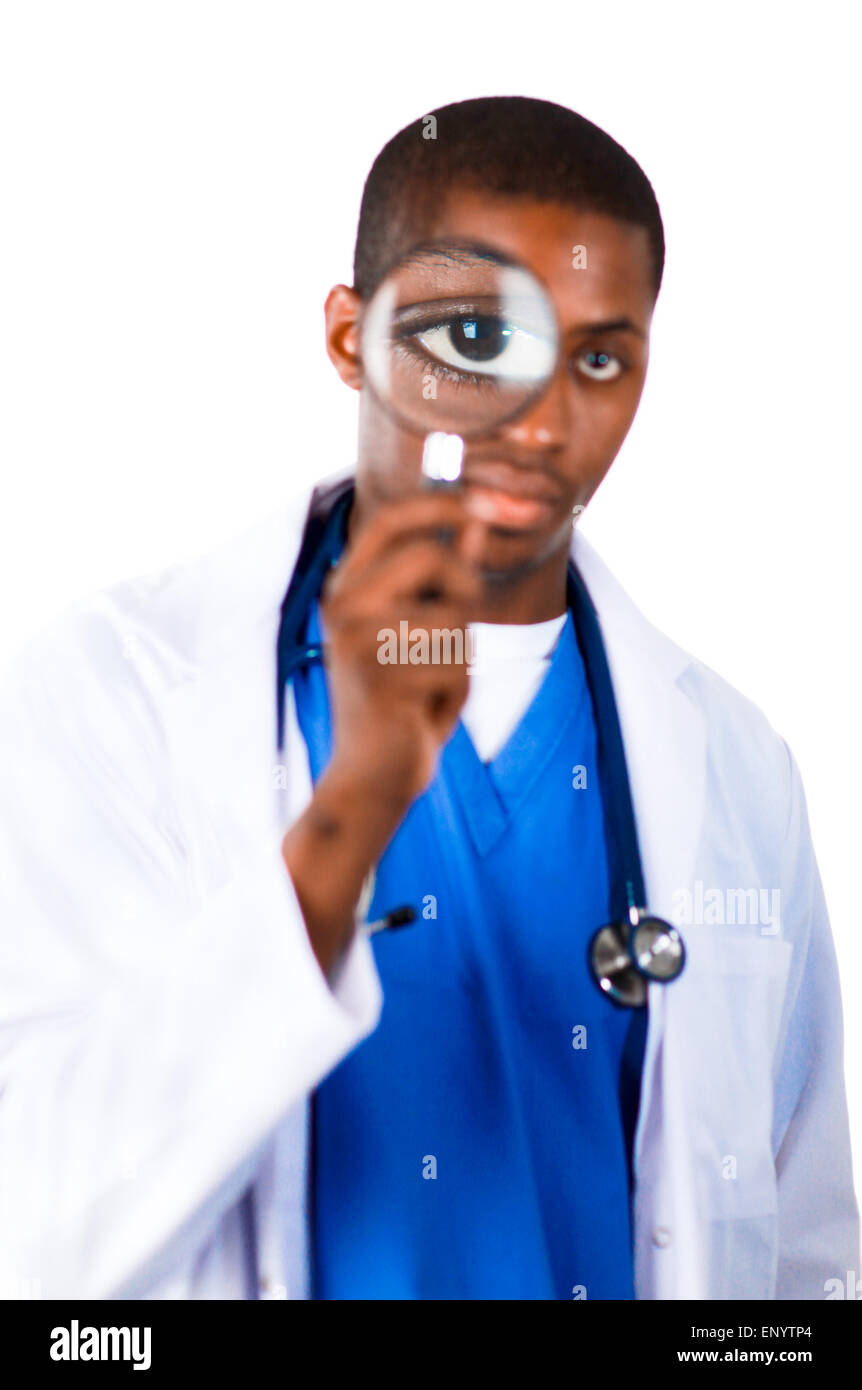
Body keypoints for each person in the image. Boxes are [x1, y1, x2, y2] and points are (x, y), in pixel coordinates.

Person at [0, 95, 857, 1302]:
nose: (542, 420)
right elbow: (36, 1239)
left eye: (597, 358)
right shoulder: (108, 694)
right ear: (351, 337)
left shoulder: (733, 760)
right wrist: (349, 813)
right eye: (470, 336)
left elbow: (807, 1263)